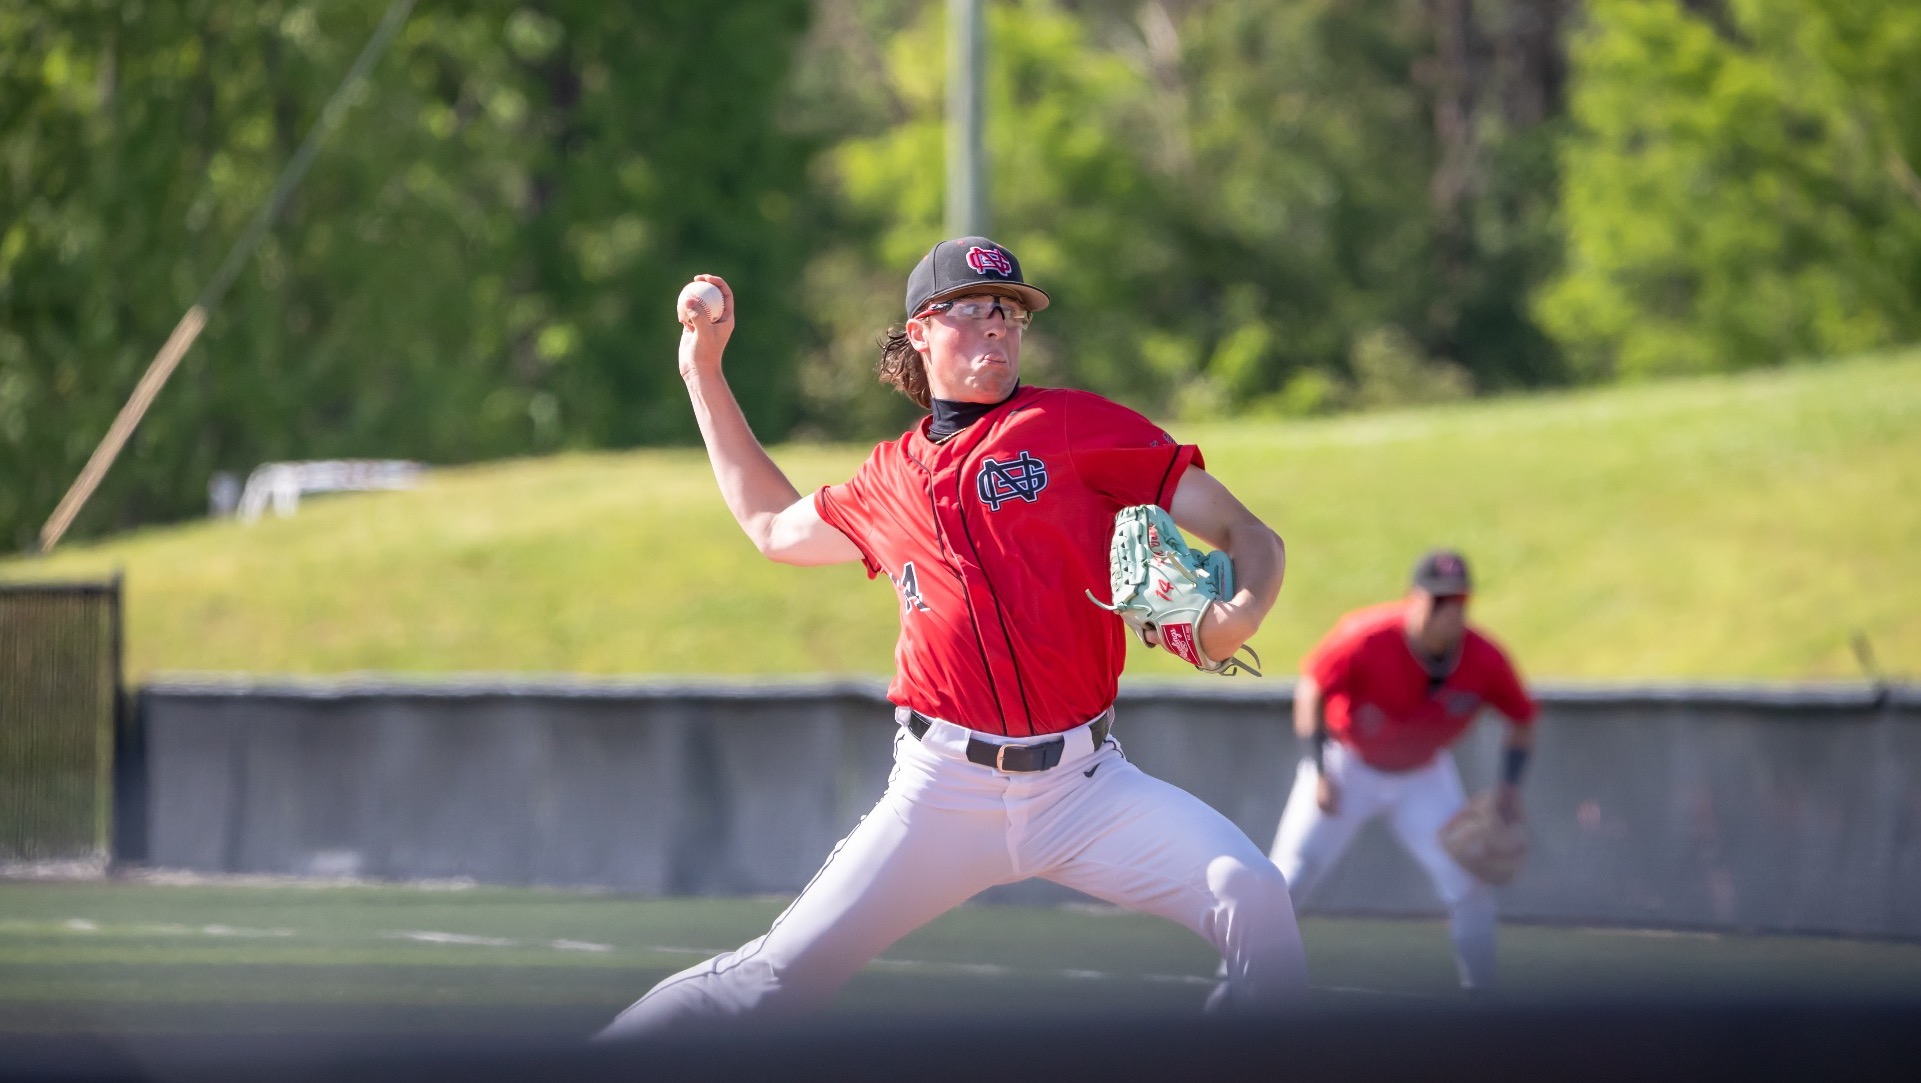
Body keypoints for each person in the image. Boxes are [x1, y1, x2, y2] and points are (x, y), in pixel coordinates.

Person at [599, 237, 1306, 1036]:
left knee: (1251, 891)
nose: (998, 326)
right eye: (973, 309)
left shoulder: (1071, 425)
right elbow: (770, 525)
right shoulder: (886, 477)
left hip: (1084, 788)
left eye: (1010, 311)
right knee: (771, 979)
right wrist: (704, 370)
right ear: (921, 330)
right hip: (942, 792)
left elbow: (1249, 534)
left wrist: (1238, 611)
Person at [1267, 549, 1537, 995]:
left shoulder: (1484, 657)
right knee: (1287, 877)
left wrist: (1509, 788)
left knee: (1469, 885)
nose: (1448, 613)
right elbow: (1311, 688)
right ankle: (1234, 984)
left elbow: (1522, 717)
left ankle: (1483, 999)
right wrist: (1317, 769)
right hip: (1346, 764)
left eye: (1458, 602)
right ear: (1413, 599)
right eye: (1438, 601)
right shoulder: (1366, 636)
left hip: (1422, 777)